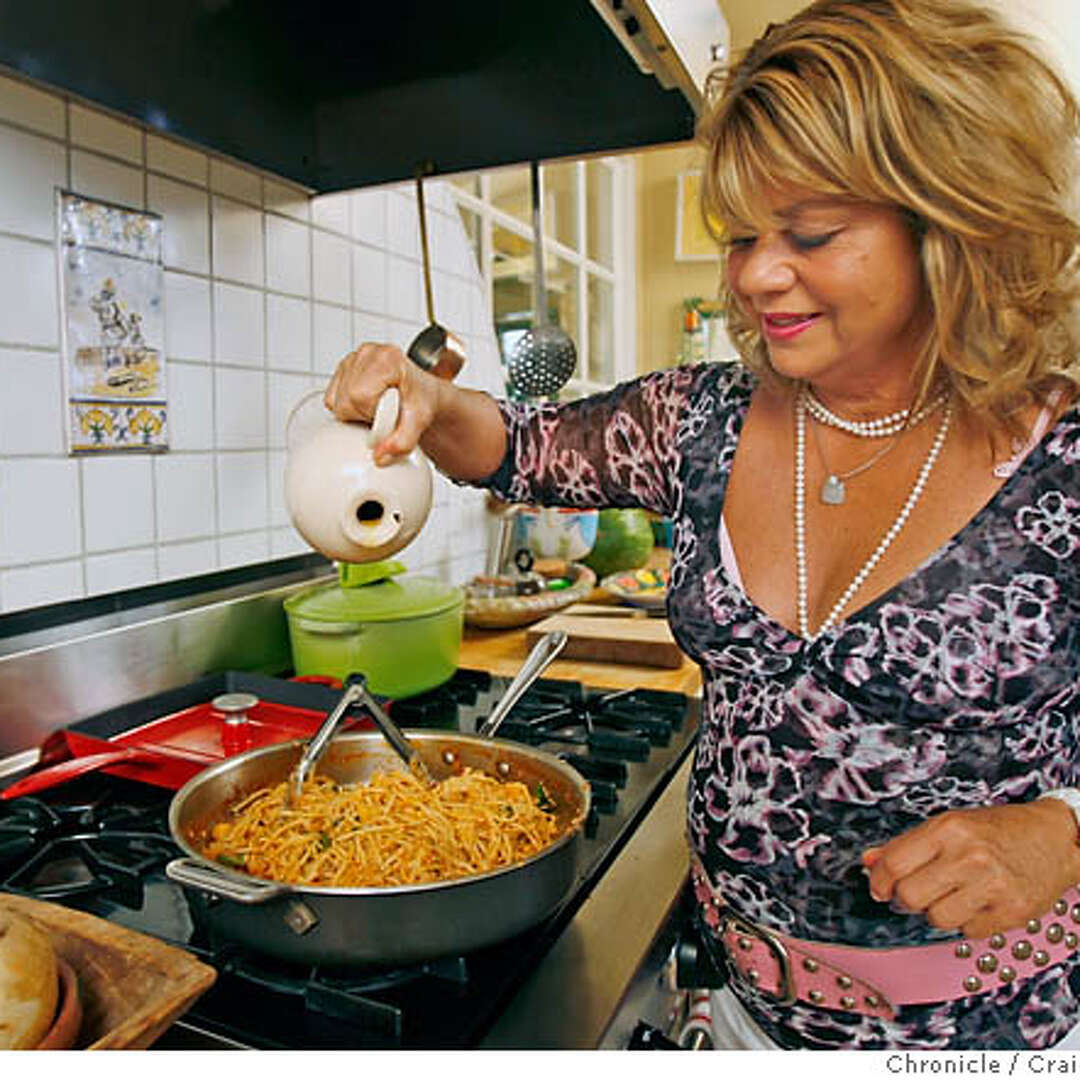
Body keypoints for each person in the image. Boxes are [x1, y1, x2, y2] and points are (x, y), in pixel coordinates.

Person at [325, 0, 1080, 1050]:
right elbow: (520, 445)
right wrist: (425, 396)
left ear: (949, 221)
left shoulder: (1061, 453)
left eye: (810, 234)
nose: (758, 275)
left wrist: (1063, 831)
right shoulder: (705, 419)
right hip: (731, 1015)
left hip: (1004, 1038)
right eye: (741, 237)